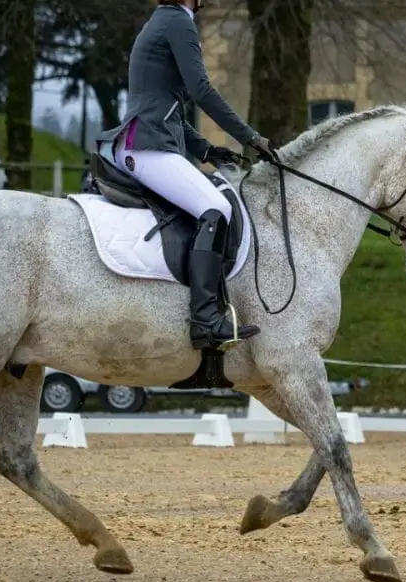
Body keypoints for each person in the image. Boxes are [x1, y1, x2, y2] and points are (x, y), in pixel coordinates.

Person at [96, 0, 279, 351]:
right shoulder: (178, 22)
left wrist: (206, 150)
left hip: (146, 139)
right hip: (148, 146)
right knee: (216, 209)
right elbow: (201, 91)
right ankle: (205, 318)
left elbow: (166, 106)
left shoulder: (161, 21)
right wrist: (250, 137)